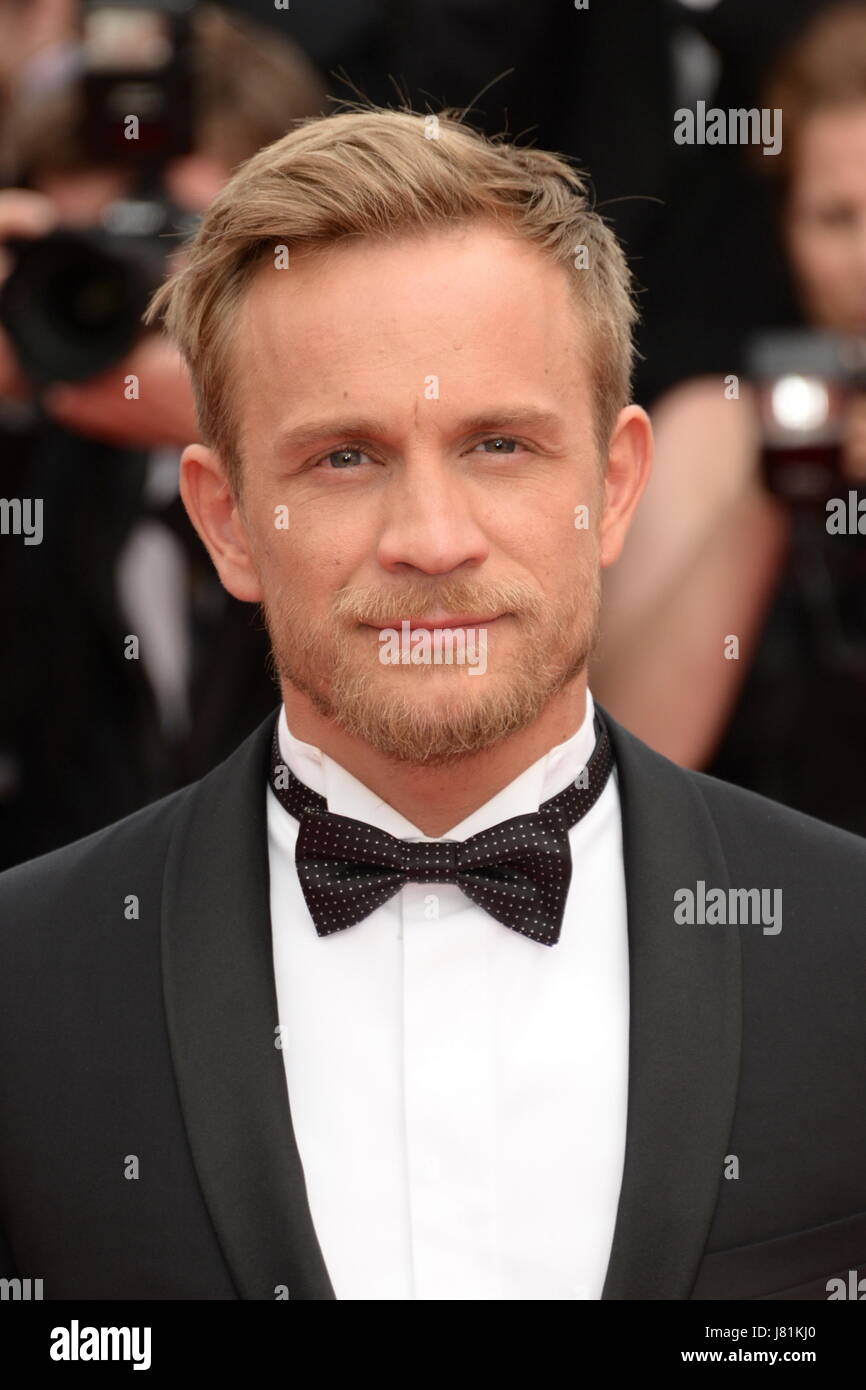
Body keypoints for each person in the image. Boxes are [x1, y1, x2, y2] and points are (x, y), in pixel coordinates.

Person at [1, 106, 865, 1302]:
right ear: (226, 520)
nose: (430, 540)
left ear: (612, 488)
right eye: (343, 457)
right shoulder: (26, 979)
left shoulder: (845, 944)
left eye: (498, 445)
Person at [593, 1, 866, 837]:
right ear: (783, 228)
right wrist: (776, 482)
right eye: (836, 217)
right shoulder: (716, 430)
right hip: (770, 915)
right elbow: (631, 760)